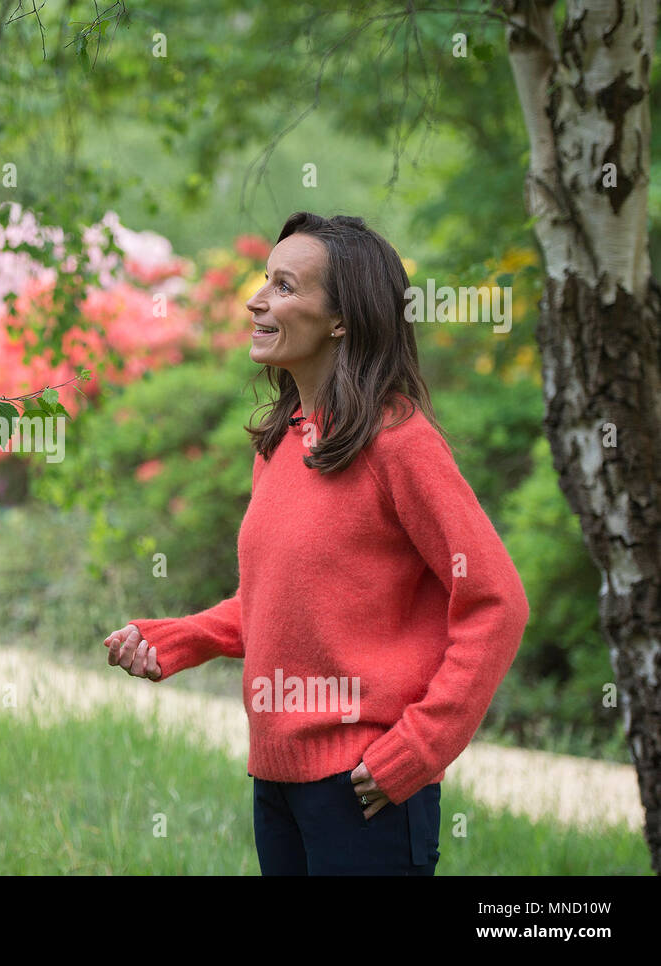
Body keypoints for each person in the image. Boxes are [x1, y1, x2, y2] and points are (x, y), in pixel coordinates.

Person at [103, 212, 530, 875]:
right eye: (262, 281)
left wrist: (419, 749)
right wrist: (183, 638)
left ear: (340, 319)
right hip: (275, 781)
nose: (257, 299)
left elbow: (497, 601)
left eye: (283, 285)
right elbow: (281, 600)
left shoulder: (401, 441)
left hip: (365, 790)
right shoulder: (282, 442)